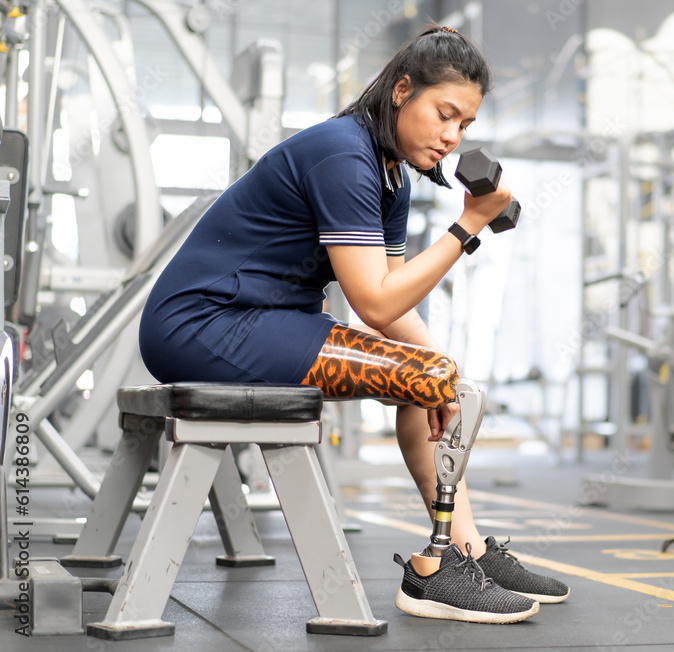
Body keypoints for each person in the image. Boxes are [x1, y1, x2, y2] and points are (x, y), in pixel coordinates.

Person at [138, 24, 568, 625]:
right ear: (401, 90)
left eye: (465, 126)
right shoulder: (343, 153)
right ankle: (432, 573)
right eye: (445, 114)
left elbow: (397, 299)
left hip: (262, 323)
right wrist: (468, 224)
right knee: (425, 378)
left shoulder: (388, 173)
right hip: (206, 325)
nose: (452, 136)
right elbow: (375, 302)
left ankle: (463, 550)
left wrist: (452, 376)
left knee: (437, 380)